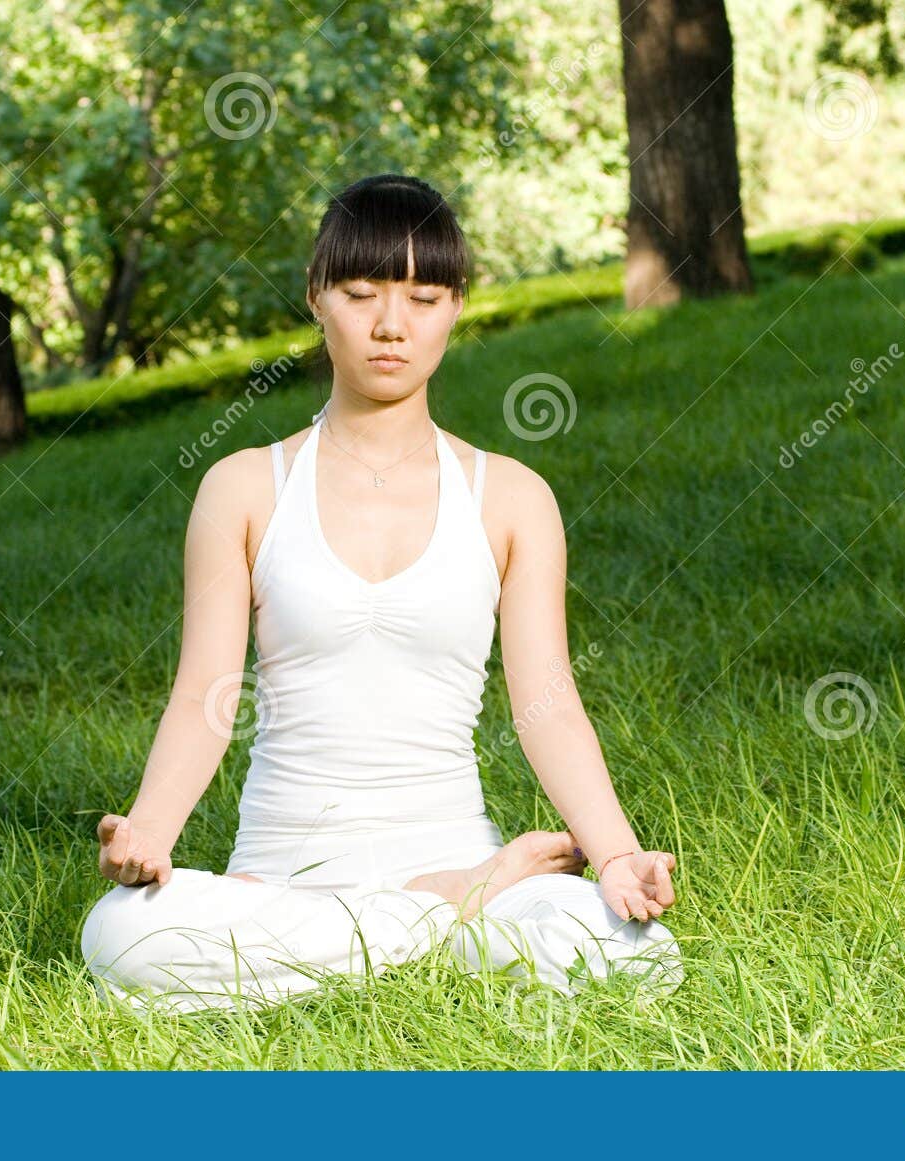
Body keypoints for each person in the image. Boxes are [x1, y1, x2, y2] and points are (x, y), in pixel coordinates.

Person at [80, 173, 683, 1013]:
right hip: (288, 872)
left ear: (457, 305)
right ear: (317, 298)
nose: (390, 324)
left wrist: (618, 857)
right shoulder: (244, 487)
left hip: (447, 841)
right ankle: (443, 909)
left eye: (423, 296)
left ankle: (387, 929)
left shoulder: (511, 497)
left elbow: (547, 702)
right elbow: (205, 696)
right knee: (118, 934)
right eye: (360, 293)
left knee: (639, 954)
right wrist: (147, 834)